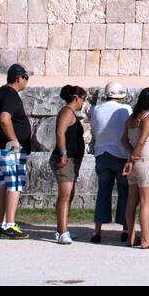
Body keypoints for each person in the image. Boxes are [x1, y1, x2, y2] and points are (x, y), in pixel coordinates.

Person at [0, 63, 33, 240]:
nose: (26, 81)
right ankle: (9, 224)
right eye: (26, 78)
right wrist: (14, 139)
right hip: (10, 149)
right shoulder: (10, 95)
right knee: (15, 184)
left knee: (1, 183)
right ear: (18, 78)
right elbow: (4, 118)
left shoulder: (1, 92)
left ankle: (2, 224)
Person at [89, 82, 132, 244]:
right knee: (125, 192)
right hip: (121, 154)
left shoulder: (97, 109)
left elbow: (94, 129)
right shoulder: (126, 109)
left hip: (101, 153)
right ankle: (125, 229)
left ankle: (97, 230)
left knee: (103, 191)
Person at [123, 87, 149, 249]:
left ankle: (131, 236)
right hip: (145, 162)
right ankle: (146, 238)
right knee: (146, 202)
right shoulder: (148, 117)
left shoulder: (132, 118)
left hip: (134, 162)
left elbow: (124, 140)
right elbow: (142, 140)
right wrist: (134, 158)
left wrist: (131, 157)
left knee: (132, 200)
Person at [50, 85, 86, 245]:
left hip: (72, 160)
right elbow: (60, 132)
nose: (83, 103)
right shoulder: (66, 112)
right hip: (65, 159)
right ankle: (62, 232)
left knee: (69, 195)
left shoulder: (70, 113)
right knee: (65, 196)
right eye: (83, 99)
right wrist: (63, 154)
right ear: (76, 98)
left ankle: (63, 228)